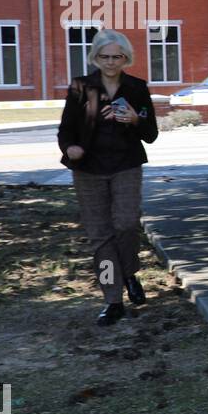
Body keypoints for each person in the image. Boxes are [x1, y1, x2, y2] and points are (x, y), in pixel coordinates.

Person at [57, 29, 159, 326]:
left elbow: (150, 134)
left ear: (126, 57)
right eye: (105, 56)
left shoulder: (136, 87)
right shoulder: (81, 87)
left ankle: (128, 271)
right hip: (88, 168)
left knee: (126, 224)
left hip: (126, 164)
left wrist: (136, 120)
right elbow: (66, 128)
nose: (111, 62)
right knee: (100, 236)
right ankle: (112, 300)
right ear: (95, 57)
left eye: (117, 56)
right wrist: (70, 147)